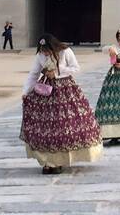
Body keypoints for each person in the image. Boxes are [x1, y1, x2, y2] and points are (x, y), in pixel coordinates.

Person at [20, 34, 103, 174]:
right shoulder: (40, 56)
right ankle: (47, 162)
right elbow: (33, 74)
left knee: (63, 126)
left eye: (47, 50)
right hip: (46, 91)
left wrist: (57, 72)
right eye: (42, 50)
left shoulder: (65, 52)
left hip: (65, 89)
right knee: (46, 127)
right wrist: (26, 91)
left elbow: (75, 68)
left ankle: (59, 161)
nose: (45, 53)